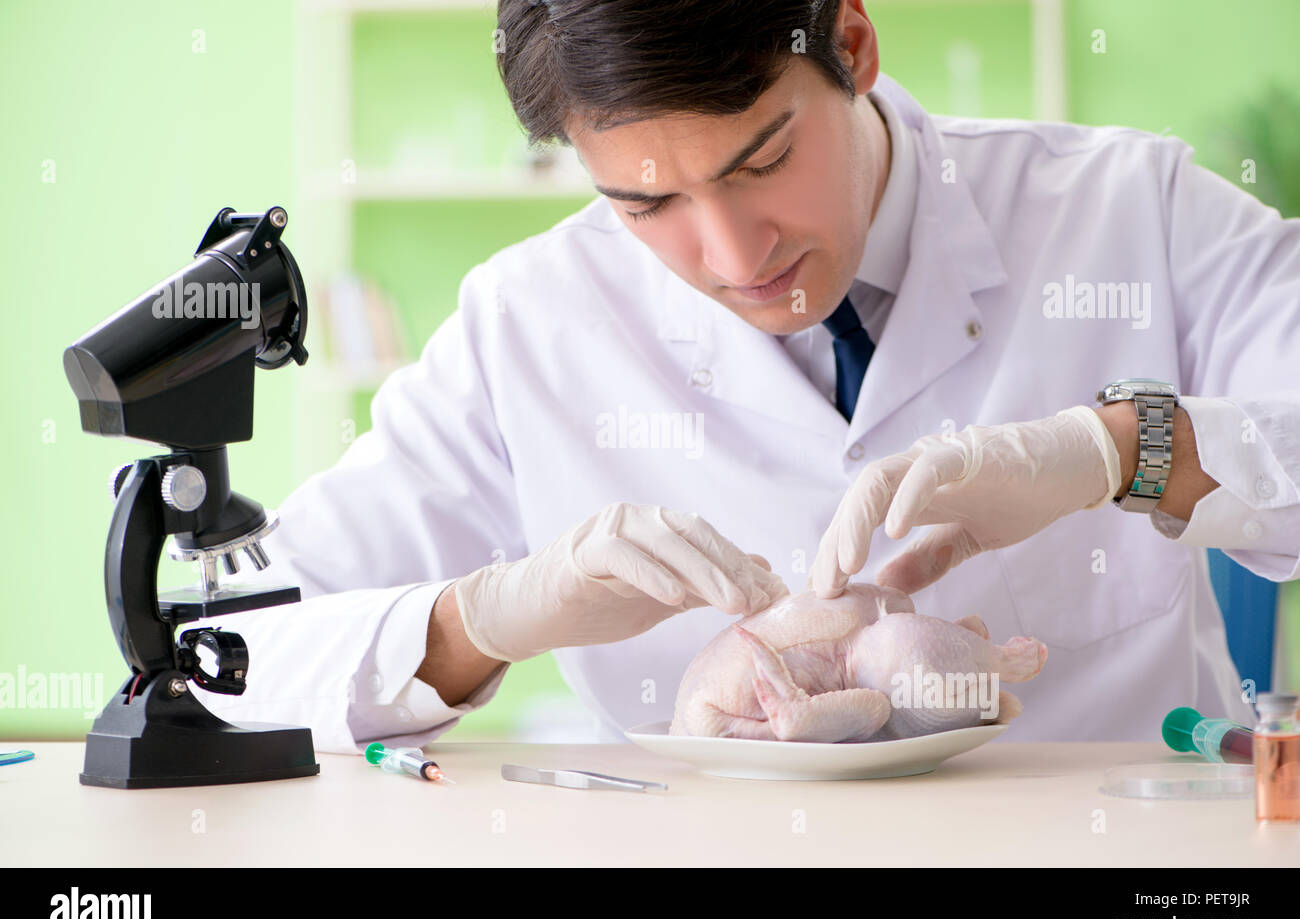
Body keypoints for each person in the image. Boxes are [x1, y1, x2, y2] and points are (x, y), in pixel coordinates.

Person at [193, 0, 1300, 751]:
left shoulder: (1127, 209)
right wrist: (487, 617)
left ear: (855, 45)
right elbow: (224, 655)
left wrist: (1116, 452)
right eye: (647, 204)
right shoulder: (525, 323)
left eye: (761, 159)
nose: (733, 257)